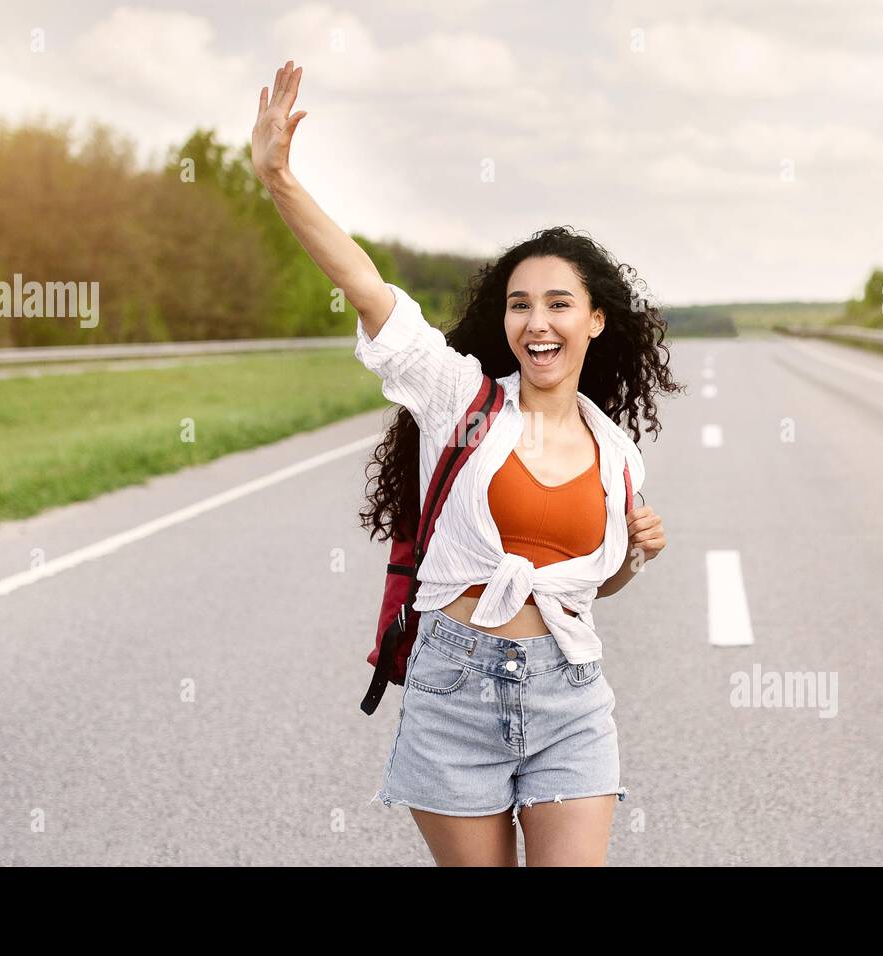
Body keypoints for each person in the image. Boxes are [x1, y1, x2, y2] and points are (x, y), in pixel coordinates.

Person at [251, 60, 682, 866]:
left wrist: (635, 552)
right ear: (504, 318)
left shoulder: (617, 452)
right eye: (521, 303)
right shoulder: (463, 399)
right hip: (455, 692)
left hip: (570, 697)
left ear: (594, 320)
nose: (537, 320)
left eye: (559, 303)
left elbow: (594, 586)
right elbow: (372, 290)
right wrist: (279, 180)